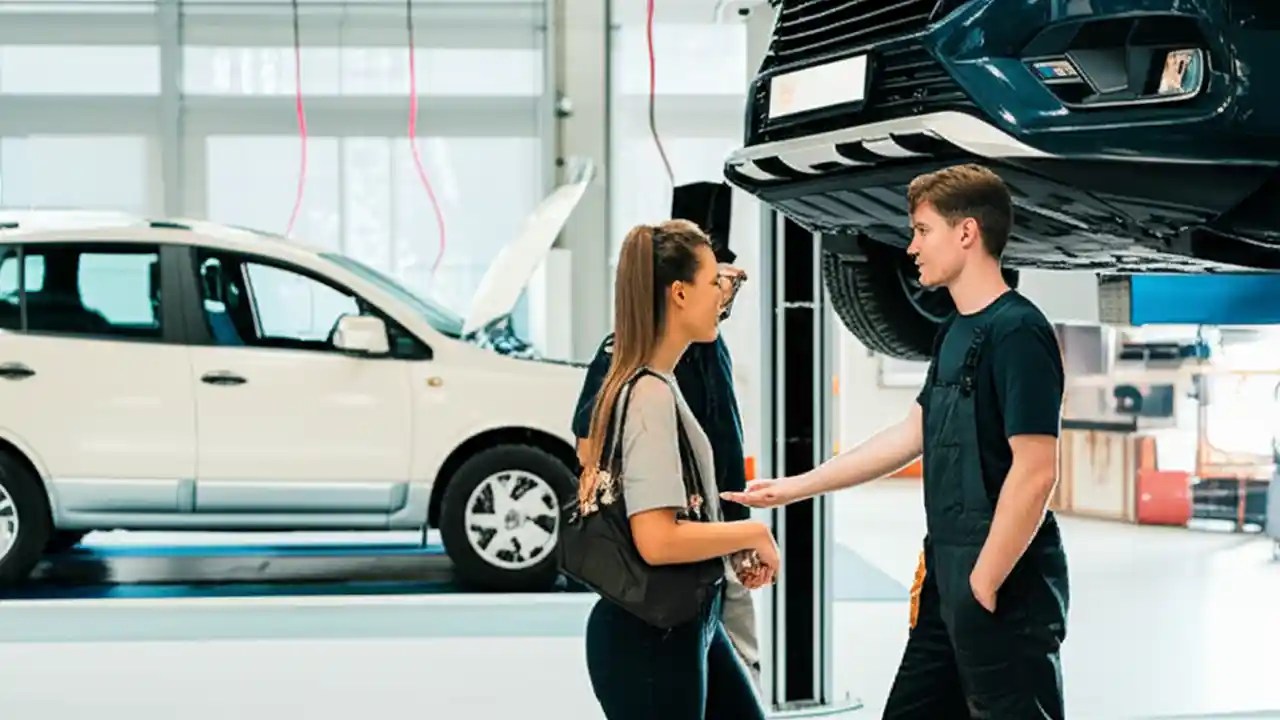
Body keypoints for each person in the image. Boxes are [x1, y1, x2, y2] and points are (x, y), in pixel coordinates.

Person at [723, 164, 1070, 719]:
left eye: (923, 230)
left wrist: (984, 582)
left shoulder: (1020, 332)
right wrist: (794, 487)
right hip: (947, 578)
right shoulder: (953, 331)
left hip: (1005, 582)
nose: (911, 248)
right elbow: (911, 434)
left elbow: (1036, 471)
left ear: (966, 232)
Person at [579, 219, 776, 720]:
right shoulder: (647, 394)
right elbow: (657, 539)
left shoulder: (657, 381)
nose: (722, 297)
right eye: (714, 283)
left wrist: (727, 545)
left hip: (690, 619)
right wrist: (751, 532)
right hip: (651, 636)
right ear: (680, 294)